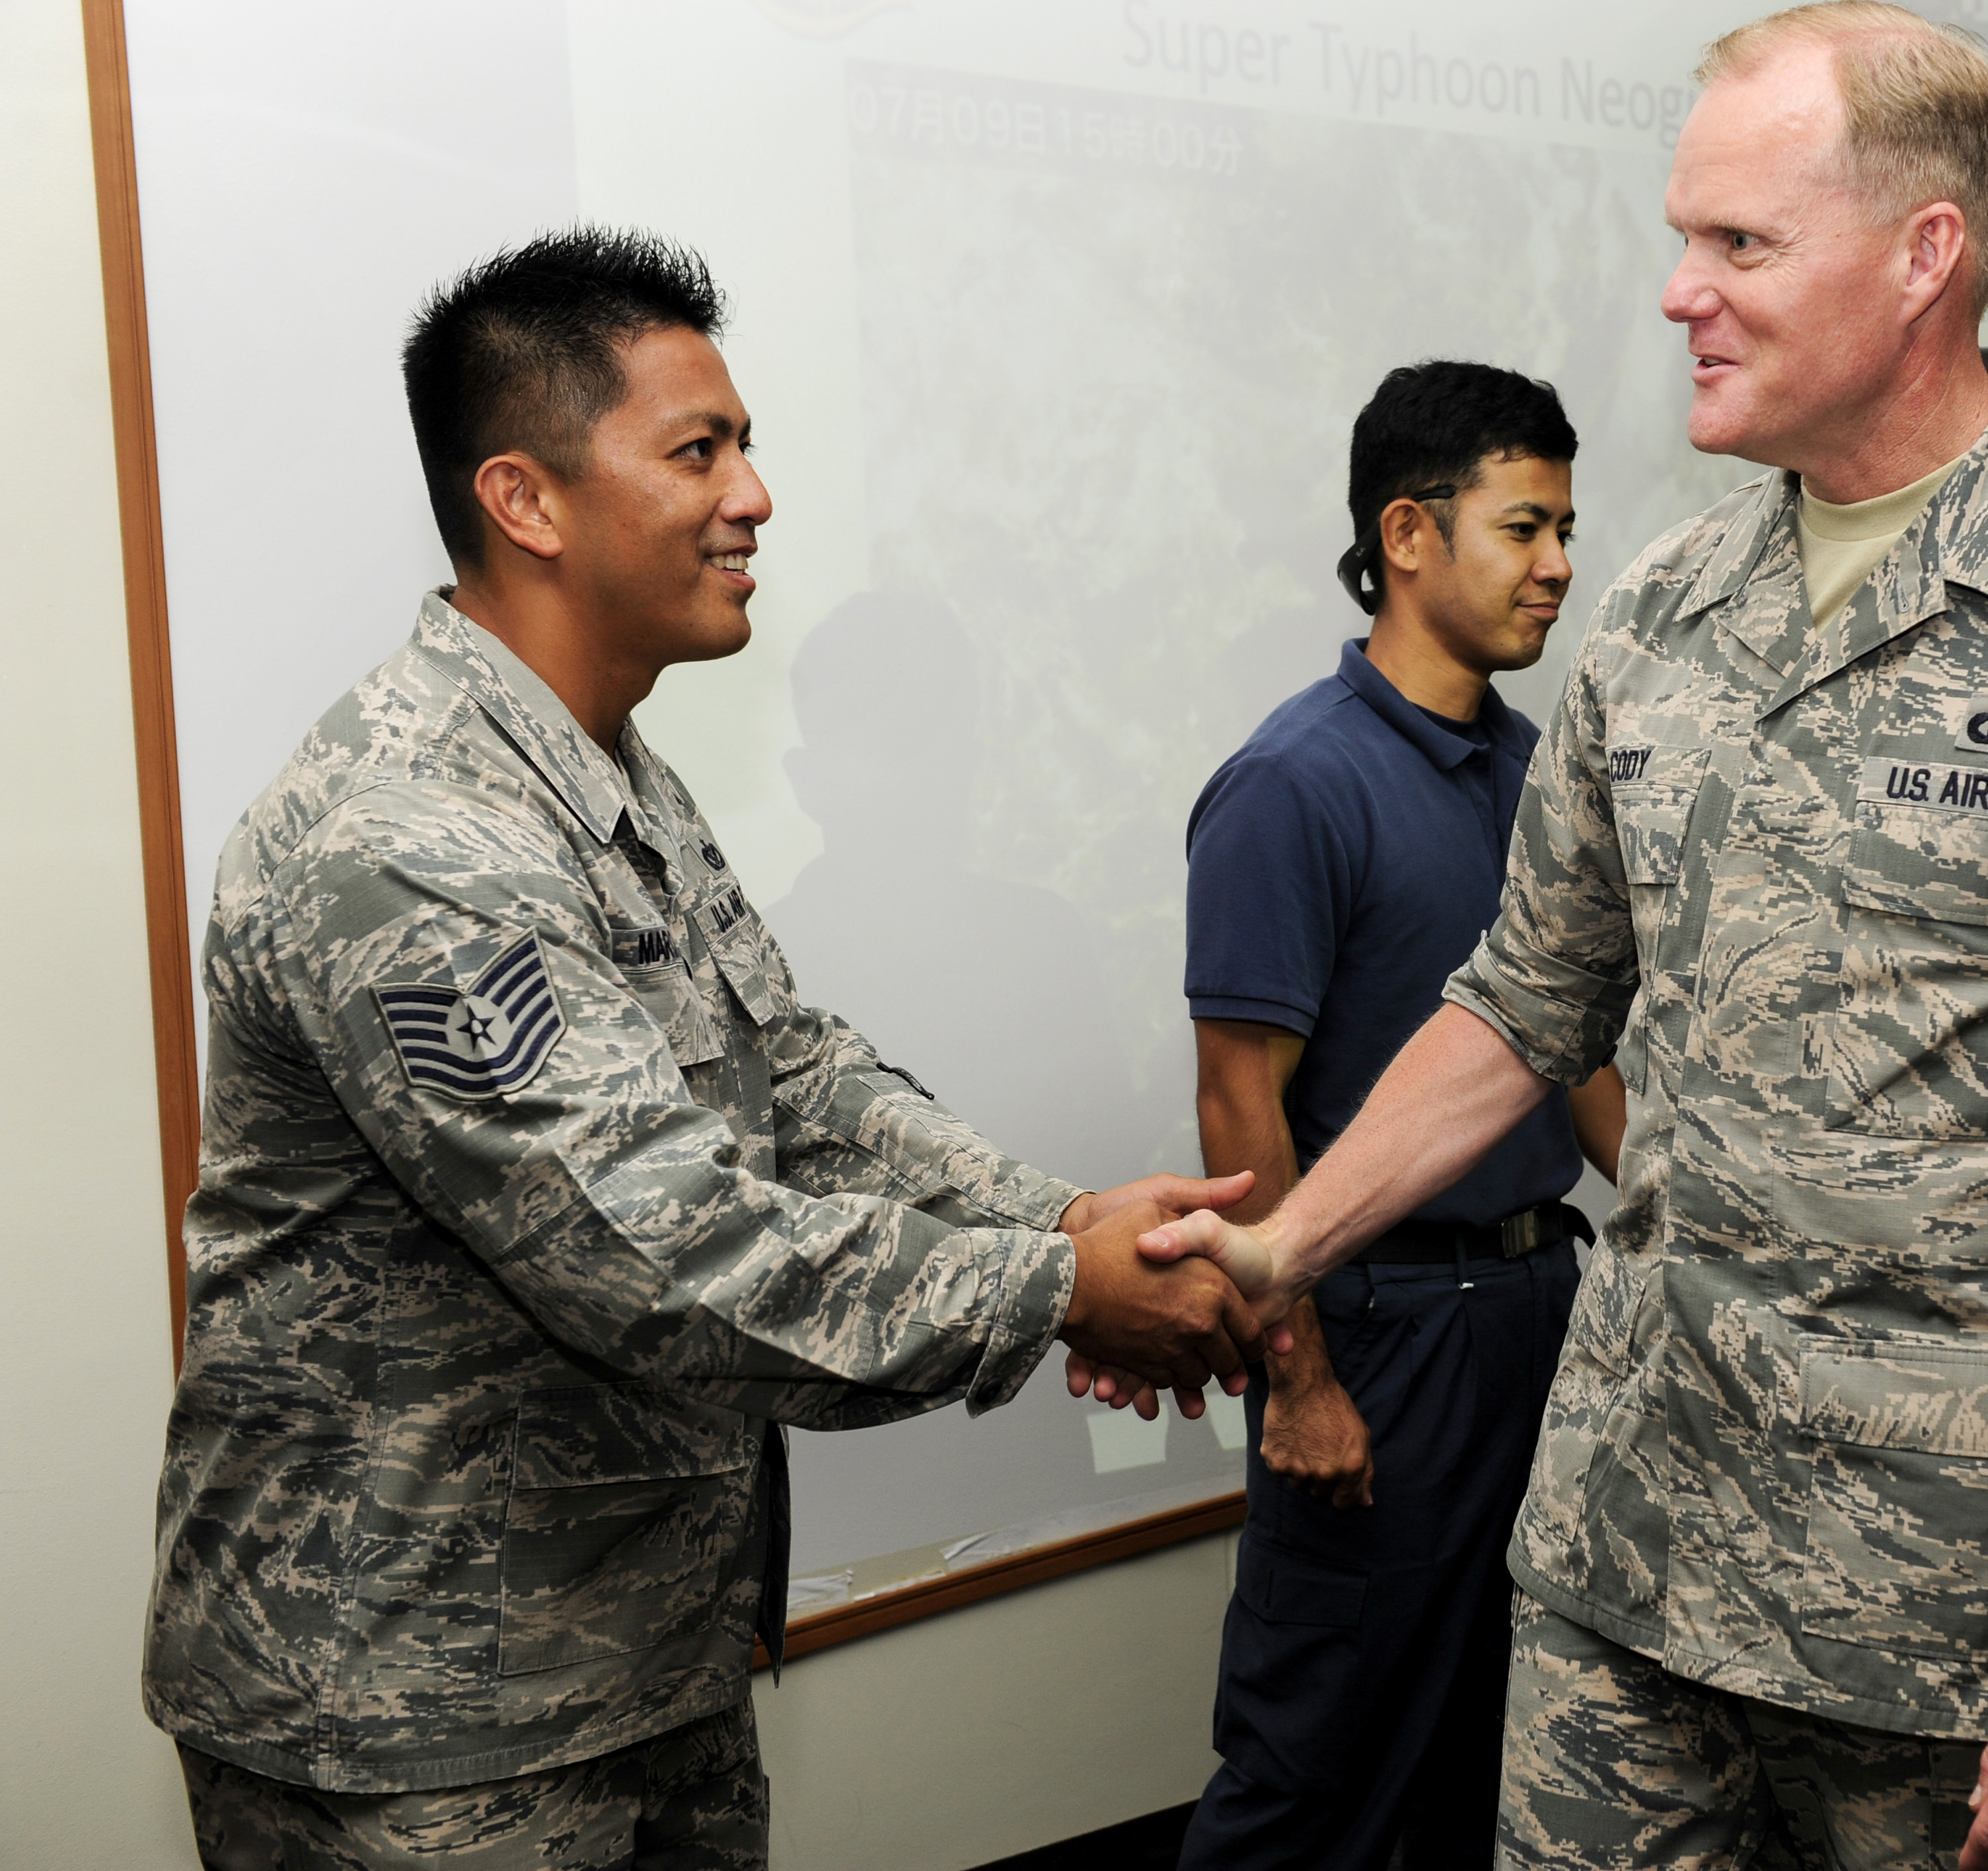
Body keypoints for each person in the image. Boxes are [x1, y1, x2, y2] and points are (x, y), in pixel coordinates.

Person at [1143, 7, 1988, 1866]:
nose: (1679, 294)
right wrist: (1277, 1250)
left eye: (1738, 245)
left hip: (1964, 1613)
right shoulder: (1664, 608)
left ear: (1925, 258)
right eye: (1682, 240)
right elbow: (1521, 1004)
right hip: (1626, 1560)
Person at [141, 229, 1261, 1870]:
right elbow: (658, 1252)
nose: (752, 494)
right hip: (416, 1725)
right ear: (525, 500)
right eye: (698, 450)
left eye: (744, 443)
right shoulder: (407, 835)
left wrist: (1061, 1225)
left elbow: (796, 1081)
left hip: (637, 1661)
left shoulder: (608, 772)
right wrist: (1061, 1292)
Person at [1175, 361, 1629, 1870]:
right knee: (1318, 1774)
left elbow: (1568, 1053)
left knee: (1499, 1752)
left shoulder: (1535, 767)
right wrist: (1296, 1378)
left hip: (1538, 1308)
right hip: (1378, 1332)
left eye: (1566, 527)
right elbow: (1240, 1106)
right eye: (1524, 528)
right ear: (1409, 536)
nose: (1559, 564)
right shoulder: (1293, 783)